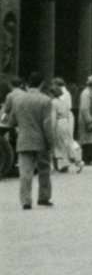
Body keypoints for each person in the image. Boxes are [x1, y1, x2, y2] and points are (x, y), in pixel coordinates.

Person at [8, 72, 55, 209]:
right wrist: (51, 142)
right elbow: (47, 125)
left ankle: (26, 201)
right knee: (44, 170)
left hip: (24, 140)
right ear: (42, 84)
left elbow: (11, 121)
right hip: (41, 141)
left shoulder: (18, 100)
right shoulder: (45, 100)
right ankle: (43, 197)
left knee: (25, 172)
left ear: (28, 84)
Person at [49, 78, 78, 172]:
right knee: (65, 143)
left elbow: (53, 117)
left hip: (58, 123)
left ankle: (59, 165)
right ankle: (68, 162)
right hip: (65, 122)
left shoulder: (53, 103)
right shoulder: (63, 102)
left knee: (57, 144)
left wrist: (51, 129)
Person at [77, 75, 92, 165]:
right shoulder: (85, 94)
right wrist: (89, 121)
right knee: (87, 140)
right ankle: (87, 158)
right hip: (88, 120)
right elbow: (84, 109)